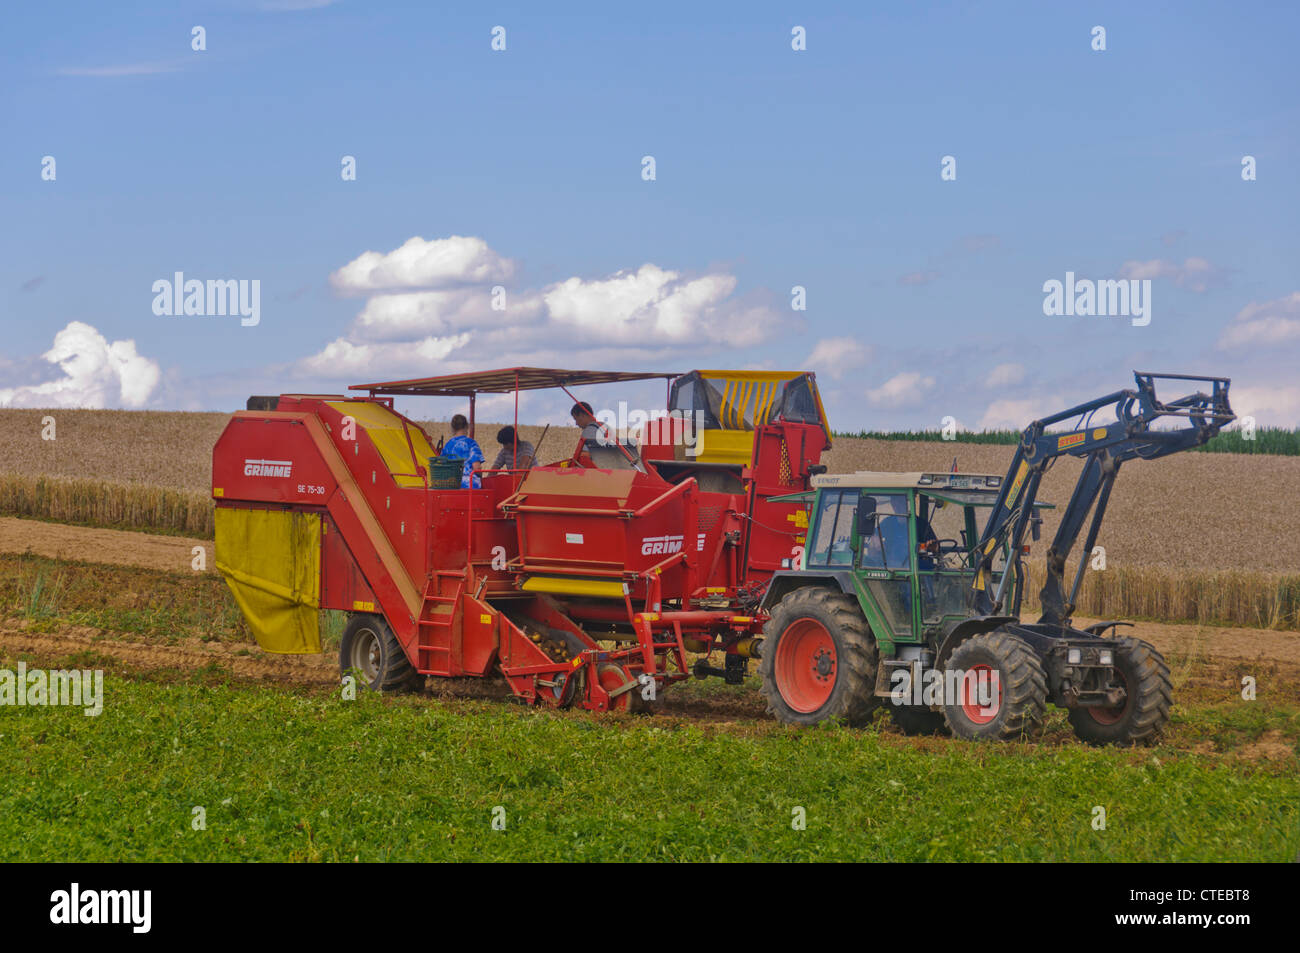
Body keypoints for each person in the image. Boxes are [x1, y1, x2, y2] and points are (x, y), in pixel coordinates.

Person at [441, 414, 484, 488]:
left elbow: (442, 466)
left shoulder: (448, 445)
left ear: (453, 428)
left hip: (450, 486)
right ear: (467, 426)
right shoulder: (471, 443)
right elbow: (477, 468)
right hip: (470, 486)